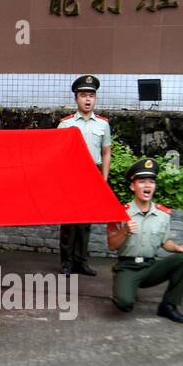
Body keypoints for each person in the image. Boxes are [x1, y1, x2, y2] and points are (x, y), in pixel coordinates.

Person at [106, 158, 183, 322]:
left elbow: (165, 242)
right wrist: (125, 231)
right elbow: (112, 245)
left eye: (151, 182)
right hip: (127, 267)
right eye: (142, 181)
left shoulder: (163, 214)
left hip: (150, 266)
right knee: (124, 304)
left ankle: (168, 306)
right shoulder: (119, 213)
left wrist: (178, 248)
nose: (147, 186)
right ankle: (121, 288)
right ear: (133, 186)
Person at [58, 74, 112, 276]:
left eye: (91, 95)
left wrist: (103, 179)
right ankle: (67, 263)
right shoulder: (66, 124)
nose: (87, 99)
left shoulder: (103, 124)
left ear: (95, 98)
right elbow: (58, 154)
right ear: (76, 99)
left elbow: (107, 152)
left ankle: (82, 262)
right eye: (83, 95)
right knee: (69, 222)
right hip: (71, 175)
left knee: (85, 223)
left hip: (93, 175)